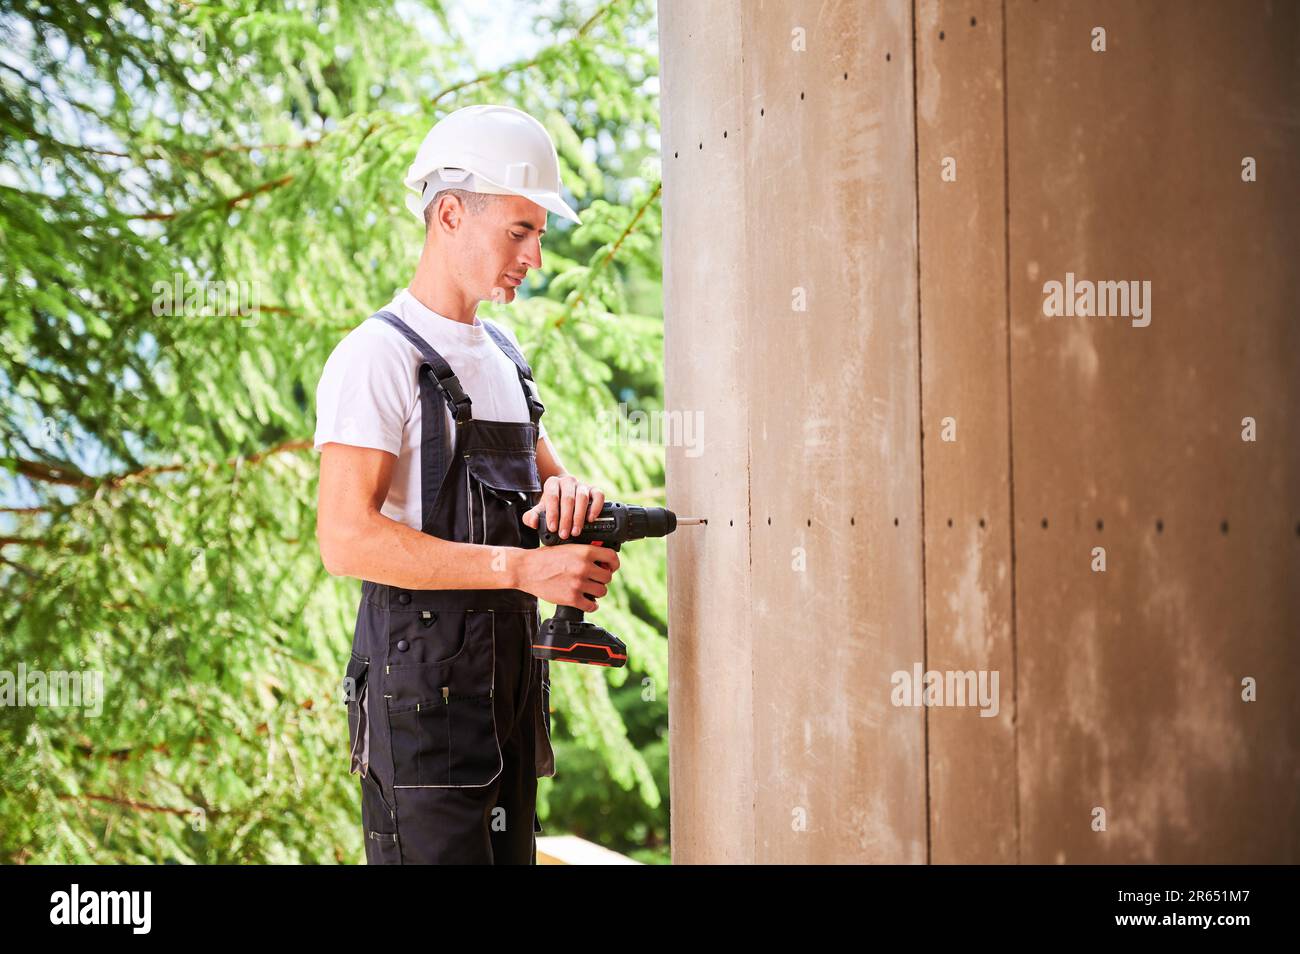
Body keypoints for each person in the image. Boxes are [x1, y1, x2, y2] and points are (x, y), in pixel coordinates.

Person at [314, 104, 619, 864]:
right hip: (421, 711)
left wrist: (573, 502)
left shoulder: (506, 356)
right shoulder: (377, 358)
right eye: (520, 231)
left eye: (539, 235)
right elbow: (344, 539)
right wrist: (522, 568)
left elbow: (553, 482)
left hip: (505, 697)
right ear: (450, 212)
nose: (535, 257)